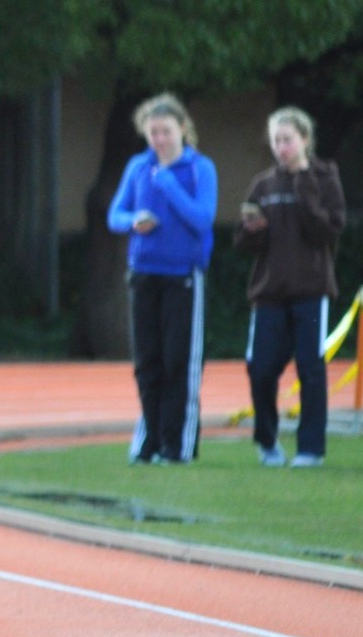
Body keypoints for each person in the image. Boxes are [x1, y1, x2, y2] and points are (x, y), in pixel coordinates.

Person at [108, 92, 219, 465]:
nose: (159, 139)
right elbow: (115, 215)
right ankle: (148, 441)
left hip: (183, 277)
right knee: (147, 362)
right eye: (152, 132)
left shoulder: (200, 168)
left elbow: (202, 219)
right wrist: (133, 221)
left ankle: (178, 445)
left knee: (179, 362)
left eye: (166, 131)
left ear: (182, 129)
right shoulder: (138, 167)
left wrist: (170, 186)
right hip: (143, 274)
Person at [232, 106, 346, 468]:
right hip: (269, 294)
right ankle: (267, 442)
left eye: (287, 139)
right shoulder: (263, 185)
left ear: (305, 140)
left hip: (311, 292)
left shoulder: (325, 177)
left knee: (311, 370)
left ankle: (311, 450)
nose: (281, 147)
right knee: (261, 369)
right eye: (275, 140)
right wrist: (251, 231)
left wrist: (305, 191)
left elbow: (329, 231)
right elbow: (242, 243)